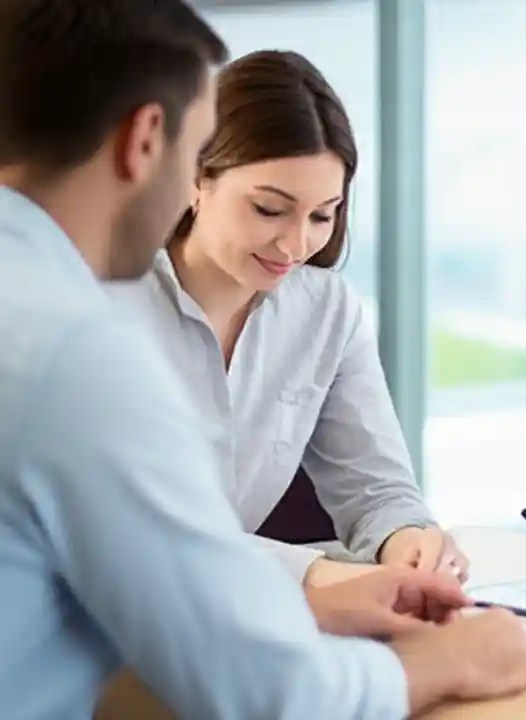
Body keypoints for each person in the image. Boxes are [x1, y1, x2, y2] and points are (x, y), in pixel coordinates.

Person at [0, 2, 526, 718]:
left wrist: (336, 591)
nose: (296, 243)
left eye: (322, 214)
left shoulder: (32, 300)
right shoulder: (76, 345)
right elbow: (259, 689)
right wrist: (451, 660)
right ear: (150, 143)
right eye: (196, 146)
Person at [108, 49, 466, 588]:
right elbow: (132, 531)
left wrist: (409, 541)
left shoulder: (327, 313)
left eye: (323, 215)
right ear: (195, 180)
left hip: (232, 623)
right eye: (269, 209)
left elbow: (377, 492)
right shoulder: (103, 304)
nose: (297, 244)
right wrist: (316, 578)